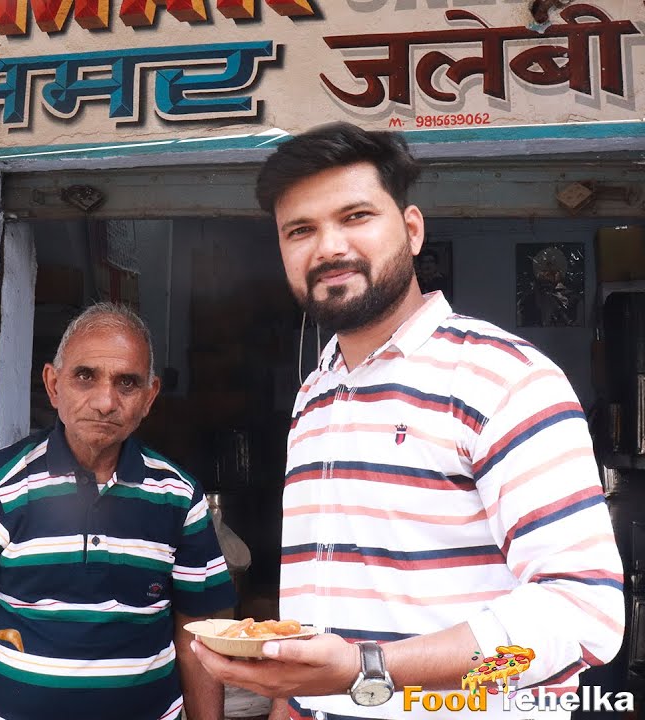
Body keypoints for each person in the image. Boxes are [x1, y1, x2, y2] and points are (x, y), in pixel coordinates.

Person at [190, 123, 624, 719]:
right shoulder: (315, 396)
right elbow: (323, 594)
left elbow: (582, 615)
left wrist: (372, 669)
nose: (328, 247)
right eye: (301, 230)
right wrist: (292, 700)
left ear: (412, 230)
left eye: (356, 216)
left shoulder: (502, 379)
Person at [0, 303, 237, 720]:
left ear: (149, 397)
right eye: (85, 376)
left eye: (127, 383)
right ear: (53, 385)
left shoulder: (178, 496)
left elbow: (197, 639)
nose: (105, 401)